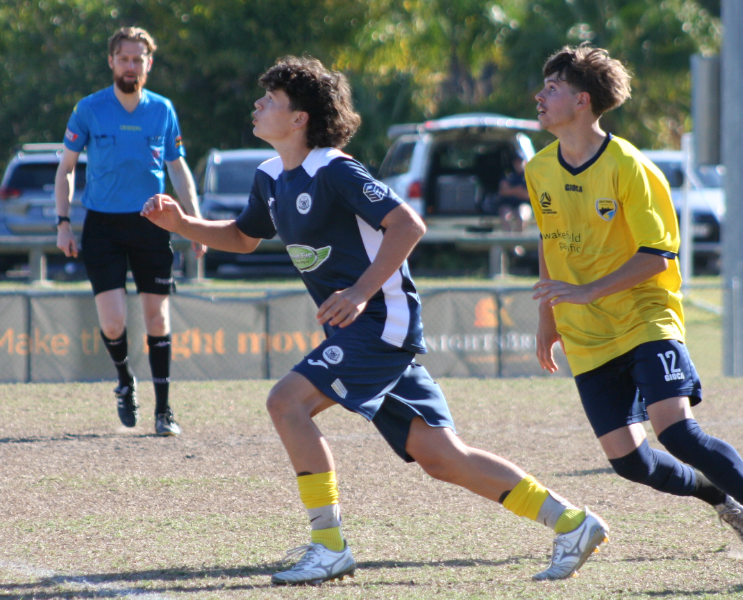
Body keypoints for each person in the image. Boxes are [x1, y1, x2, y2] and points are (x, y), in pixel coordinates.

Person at [142, 56, 608, 585]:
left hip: (382, 322)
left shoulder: (335, 169)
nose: (258, 104)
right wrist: (183, 223)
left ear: (300, 119)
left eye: (269, 99)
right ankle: (571, 522)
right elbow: (243, 238)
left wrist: (362, 292)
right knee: (442, 457)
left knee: (286, 401)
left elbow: (408, 224)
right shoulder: (271, 176)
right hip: (362, 329)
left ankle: (328, 545)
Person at [528, 44, 743, 559]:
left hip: (644, 317)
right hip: (587, 334)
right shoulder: (539, 169)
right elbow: (550, 243)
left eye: (552, 88)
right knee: (629, 463)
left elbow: (657, 256)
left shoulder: (630, 166)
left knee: (677, 430)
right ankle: (719, 498)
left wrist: (588, 290)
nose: (539, 96)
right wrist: (548, 318)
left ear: (583, 101)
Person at [55, 27, 204, 436]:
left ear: (148, 64)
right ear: (111, 61)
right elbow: (66, 169)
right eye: (124, 58)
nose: (130, 66)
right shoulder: (89, 108)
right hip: (101, 224)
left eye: (138, 59)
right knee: (115, 323)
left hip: (152, 222)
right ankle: (124, 380)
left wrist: (195, 222)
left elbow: (177, 168)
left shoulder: (162, 109)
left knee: (157, 318)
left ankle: (164, 411)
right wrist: (63, 222)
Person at [496, 155, 532, 232]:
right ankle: (508, 240)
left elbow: (528, 195)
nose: (518, 164)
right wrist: (517, 190)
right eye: (516, 162)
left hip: (523, 204)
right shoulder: (508, 175)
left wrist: (511, 190)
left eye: (520, 161)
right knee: (505, 216)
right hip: (508, 205)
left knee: (522, 216)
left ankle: (519, 239)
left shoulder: (529, 176)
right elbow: (502, 192)